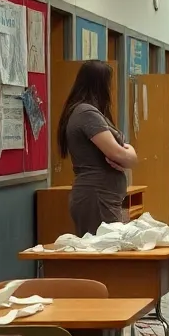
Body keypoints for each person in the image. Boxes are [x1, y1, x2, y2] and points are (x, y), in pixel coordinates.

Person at [57, 60, 138, 237]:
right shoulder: (87, 113)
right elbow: (116, 153)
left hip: (102, 196)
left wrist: (129, 155)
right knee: (105, 254)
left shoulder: (91, 112)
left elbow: (126, 156)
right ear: (100, 84)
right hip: (97, 197)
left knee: (107, 252)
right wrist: (128, 155)